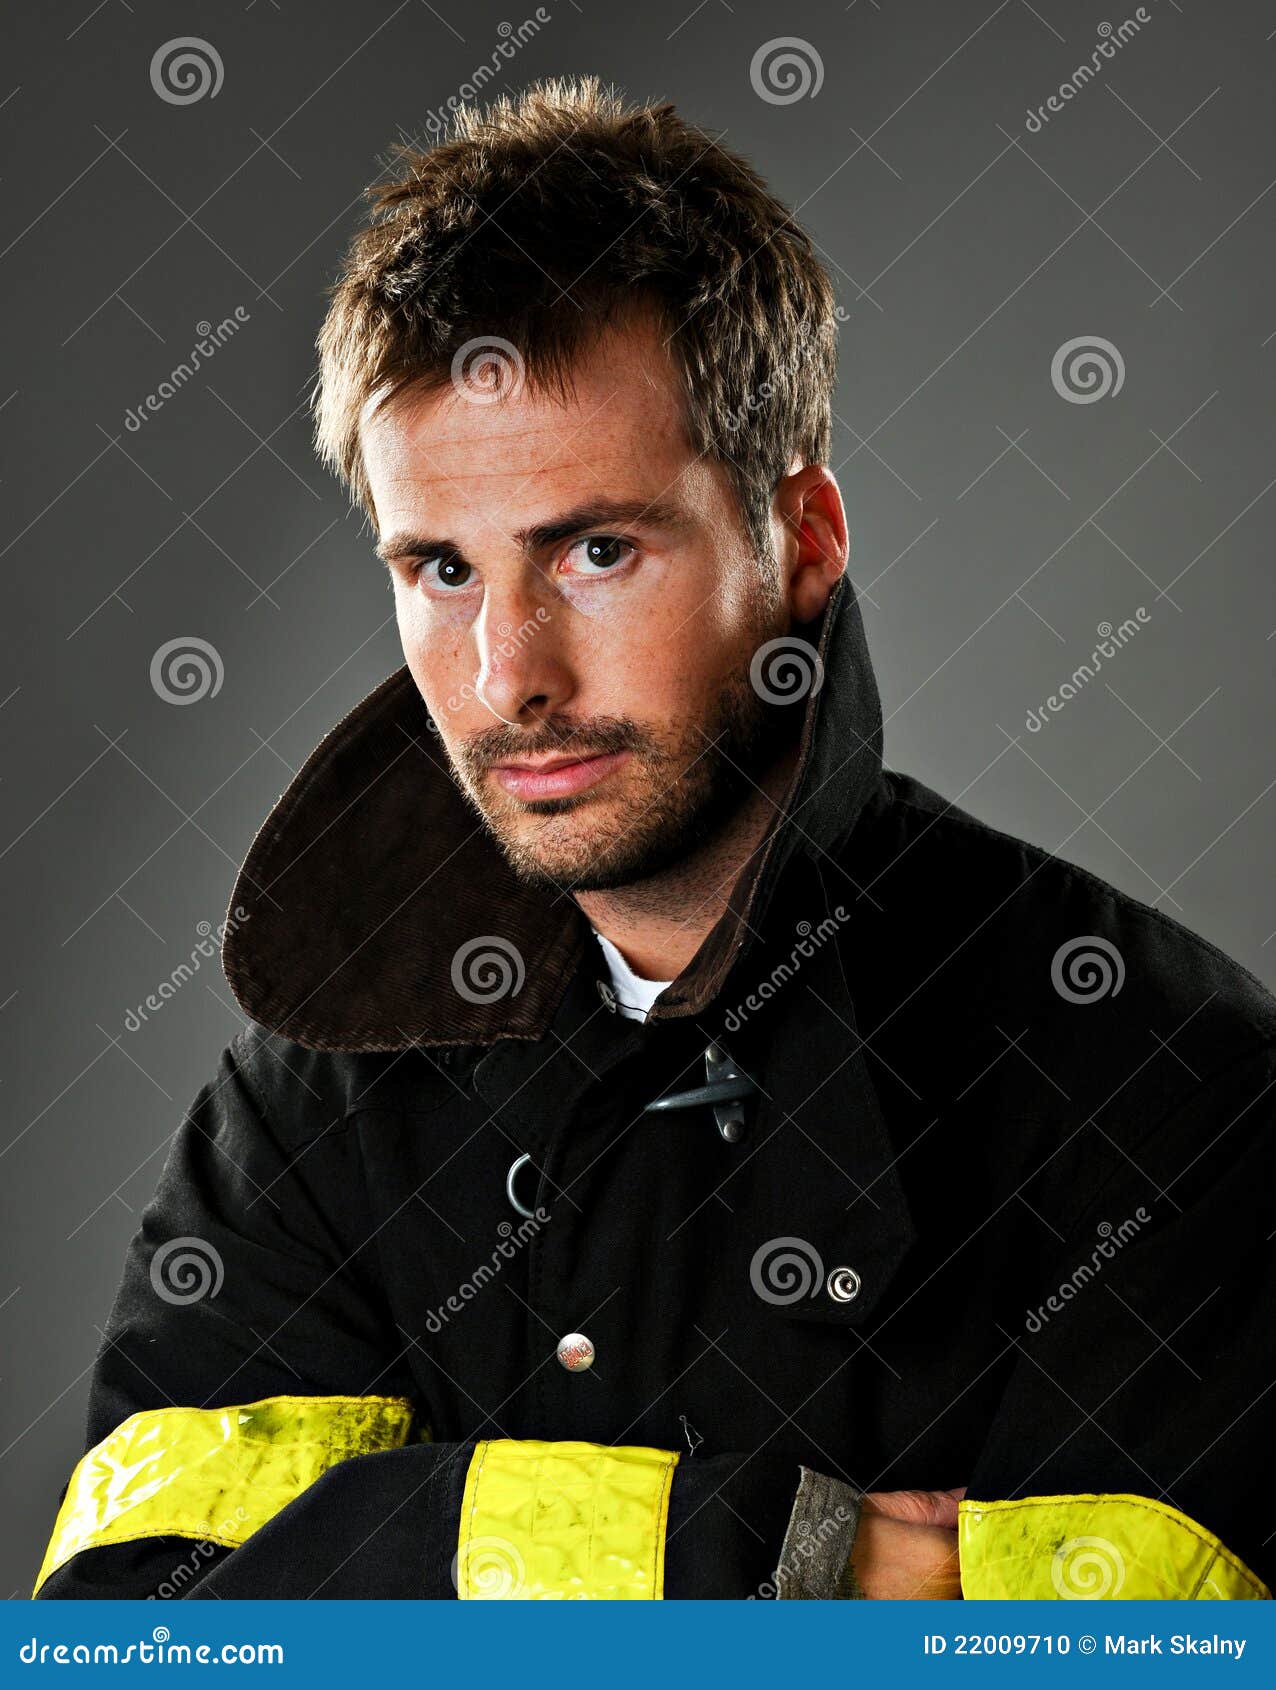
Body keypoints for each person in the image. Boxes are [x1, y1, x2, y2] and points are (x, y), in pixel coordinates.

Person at [33, 77, 1273, 1602]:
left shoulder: (1161, 1083)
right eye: (437, 567)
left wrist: (405, 1545)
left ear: (800, 537)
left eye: (597, 550)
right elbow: (151, 1635)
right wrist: (777, 1558)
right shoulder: (308, 1103)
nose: (509, 674)